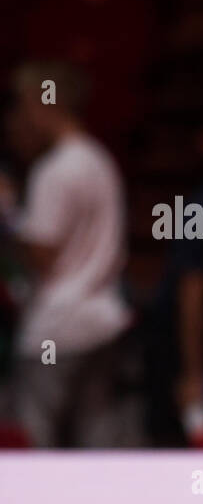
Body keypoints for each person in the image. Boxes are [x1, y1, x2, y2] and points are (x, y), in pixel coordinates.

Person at [0, 62, 138, 447]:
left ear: (43, 104)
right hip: (100, 321)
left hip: (57, 328)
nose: (17, 121)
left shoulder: (55, 170)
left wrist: (7, 215)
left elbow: (41, 254)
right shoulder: (99, 159)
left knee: (35, 444)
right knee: (93, 444)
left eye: (22, 108)